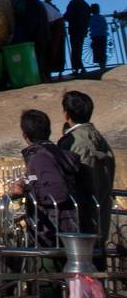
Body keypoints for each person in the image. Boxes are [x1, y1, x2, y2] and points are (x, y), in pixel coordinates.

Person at [9, 109, 81, 247]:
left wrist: (26, 189)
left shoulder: (40, 157)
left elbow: (58, 192)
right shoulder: (53, 153)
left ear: (25, 135)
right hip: (64, 228)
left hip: (53, 232)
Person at [58, 90, 115, 247]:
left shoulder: (75, 142)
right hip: (100, 218)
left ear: (66, 114)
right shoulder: (97, 137)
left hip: (82, 224)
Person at [21, 0, 50, 80]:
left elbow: (32, 22)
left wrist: (28, 36)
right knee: (41, 57)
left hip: (36, 36)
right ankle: (44, 76)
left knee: (37, 58)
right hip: (42, 36)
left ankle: (40, 77)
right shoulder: (38, 4)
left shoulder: (32, 4)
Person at [64, 0, 91, 76]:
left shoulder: (73, 4)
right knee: (78, 49)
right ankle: (80, 68)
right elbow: (87, 18)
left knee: (75, 49)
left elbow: (68, 16)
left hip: (74, 30)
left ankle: (76, 69)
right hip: (82, 30)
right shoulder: (85, 4)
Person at [43, 0, 66, 76]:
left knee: (59, 49)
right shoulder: (44, 5)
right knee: (53, 50)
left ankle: (59, 69)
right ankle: (50, 69)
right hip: (53, 30)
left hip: (58, 30)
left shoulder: (52, 6)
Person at [89, 4, 108, 73]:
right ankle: (103, 67)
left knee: (98, 52)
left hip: (96, 37)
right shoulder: (102, 18)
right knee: (103, 51)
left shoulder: (90, 18)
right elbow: (106, 27)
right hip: (103, 36)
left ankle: (102, 68)